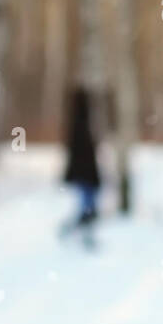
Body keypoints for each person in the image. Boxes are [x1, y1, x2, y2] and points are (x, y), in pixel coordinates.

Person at [58, 85, 102, 250]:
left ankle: (80, 234)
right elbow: (81, 150)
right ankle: (83, 237)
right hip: (87, 174)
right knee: (87, 208)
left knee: (87, 207)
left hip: (84, 174)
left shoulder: (77, 121)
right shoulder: (82, 123)